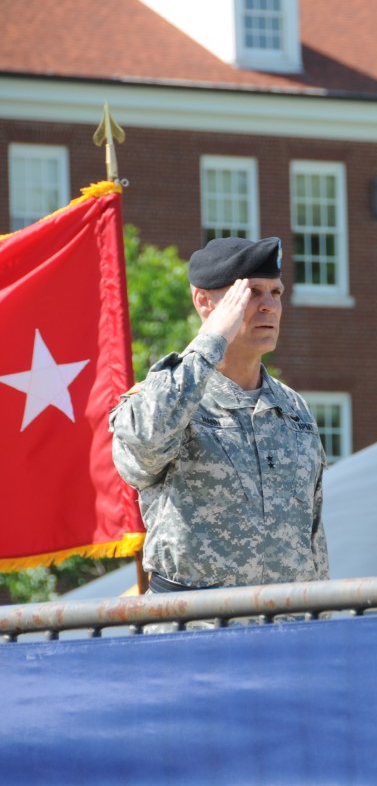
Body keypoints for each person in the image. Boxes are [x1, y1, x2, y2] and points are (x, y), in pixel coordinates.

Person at [110, 236, 330, 593]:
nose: (269, 306)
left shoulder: (293, 409)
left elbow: (313, 536)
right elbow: (141, 451)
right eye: (251, 292)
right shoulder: (169, 398)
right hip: (196, 628)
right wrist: (211, 341)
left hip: (288, 629)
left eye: (276, 293)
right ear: (204, 301)